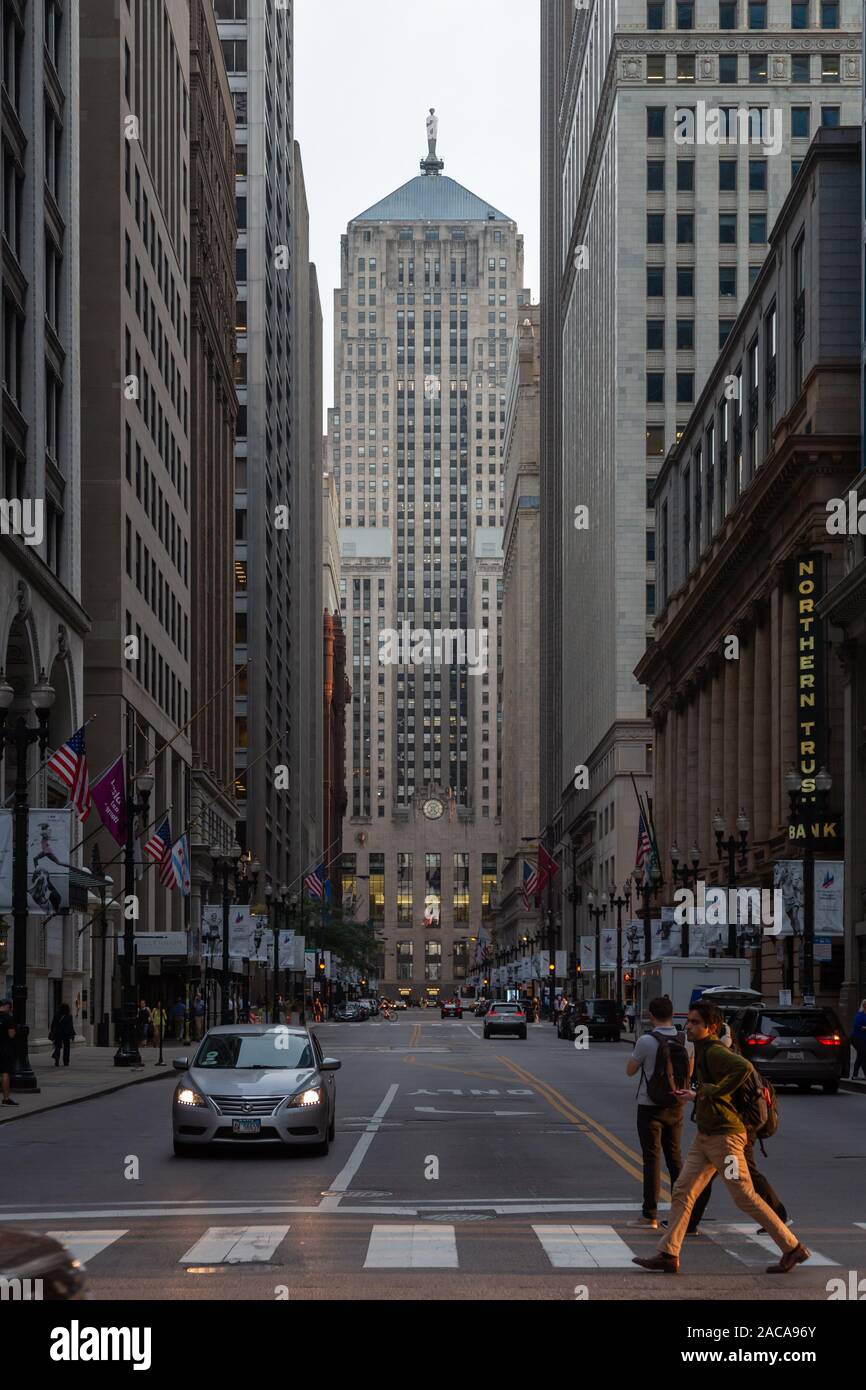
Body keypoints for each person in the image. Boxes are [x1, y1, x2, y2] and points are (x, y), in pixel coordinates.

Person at [633, 1001, 810, 1276]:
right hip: (705, 1137)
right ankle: (669, 1253)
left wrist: (711, 1090)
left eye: (694, 1023)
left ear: (710, 1027)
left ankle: (792, 1247)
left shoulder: (715, 1051)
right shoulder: (703, 1049)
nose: (688, 1027)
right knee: (682, 1191)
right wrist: (697, 1095)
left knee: (744, 1196)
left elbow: (743, 1068)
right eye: (688, 1021)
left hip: (726, 1139)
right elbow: (709, 1089)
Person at [676, 1022, 788, 1237]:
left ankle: (779, 1218)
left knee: (742, 1184)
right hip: (725, 1131)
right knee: (703, 1178)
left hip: (736, 1131)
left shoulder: (731, 1064)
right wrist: (697, 1096)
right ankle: (688, 1223)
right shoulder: (722, 1061)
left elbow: (728, 1100)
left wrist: (708, 1094)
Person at [625, 995, 693, 1230]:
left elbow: (630, 1071)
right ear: (672, 1014)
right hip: (676, 1105)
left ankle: (649, 1214)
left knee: (651, 1159)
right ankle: (681, 1213)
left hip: (649, 1105)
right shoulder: (686, 1040)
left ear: (651, 1015)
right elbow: (689, 1074)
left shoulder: (646, 1040)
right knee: (675, 1159)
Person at [0, 998, 17, 1105]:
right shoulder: (8, 1018)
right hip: (4, 1048)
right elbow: (11, 1034)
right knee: (5, 1073)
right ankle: (6, 1098)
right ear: (7, 1006)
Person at [49, 1001, 75, 1067]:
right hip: (66, 1034)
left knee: (58, 1047)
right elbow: (70, 1026)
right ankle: (66, 1061)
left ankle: (57, 1060)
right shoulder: (69, 1016)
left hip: (58, 1033)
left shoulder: (56, 1015)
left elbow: (53, 1025)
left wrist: (52, 1032)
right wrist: (72, 1035)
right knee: (66, 1048)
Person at [850, 999, 866, 1080]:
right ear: (863, 1005)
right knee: (863, 1055)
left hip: (864, 1039)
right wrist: (864, 1027)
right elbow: (856, 1026)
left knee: (860, 1056)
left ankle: (855, 1075)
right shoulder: (860, 1015)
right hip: (857, 1038)